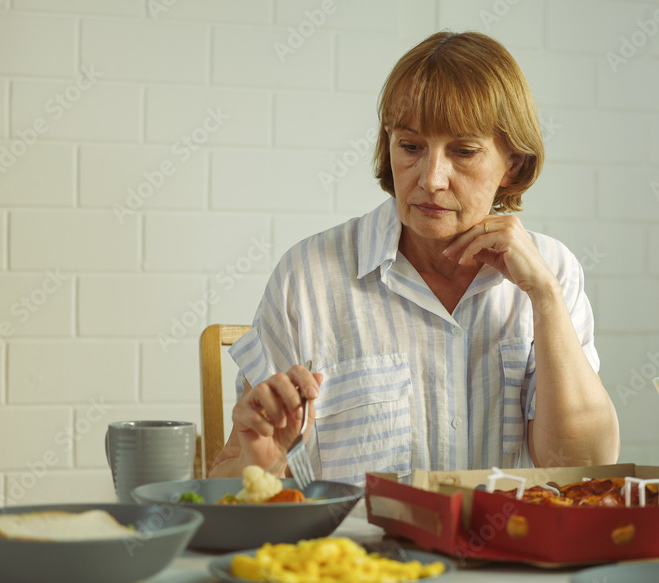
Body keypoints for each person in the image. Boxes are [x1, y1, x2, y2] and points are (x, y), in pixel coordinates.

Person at [210, 31, 619, 484]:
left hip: (506, 554)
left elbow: (587, 471)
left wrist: (544, 297)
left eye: (463, 151)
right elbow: (228, 477)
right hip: (356, 554)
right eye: (410, 147)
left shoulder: (553, 271)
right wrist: (261, 464)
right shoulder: (306, 276)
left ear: (514, 164)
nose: (432, 178)